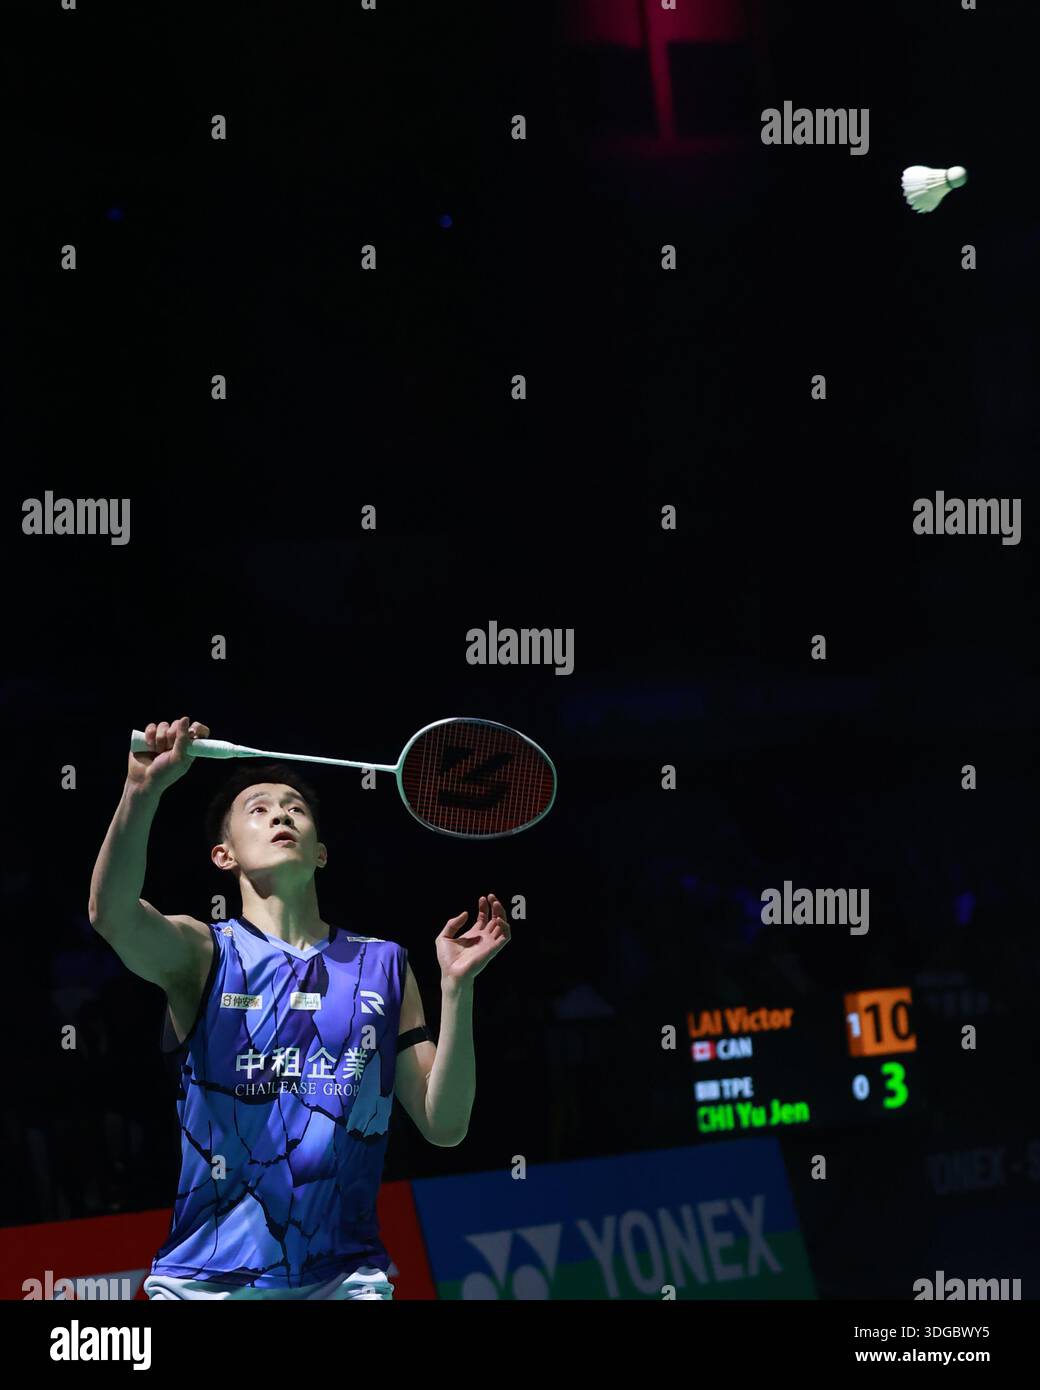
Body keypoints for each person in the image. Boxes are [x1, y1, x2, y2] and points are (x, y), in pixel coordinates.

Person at [87, 715, 510, 1299]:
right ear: (223, 855)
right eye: (257, 809)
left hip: (345, 1279)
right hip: (210, 1283)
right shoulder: (203, 954)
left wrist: (457, 989)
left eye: (294, 809)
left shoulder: (382, 965)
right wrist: (141, 791)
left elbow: (444, 1126)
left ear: (321, 854)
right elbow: (111, 915)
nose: (280, 814)